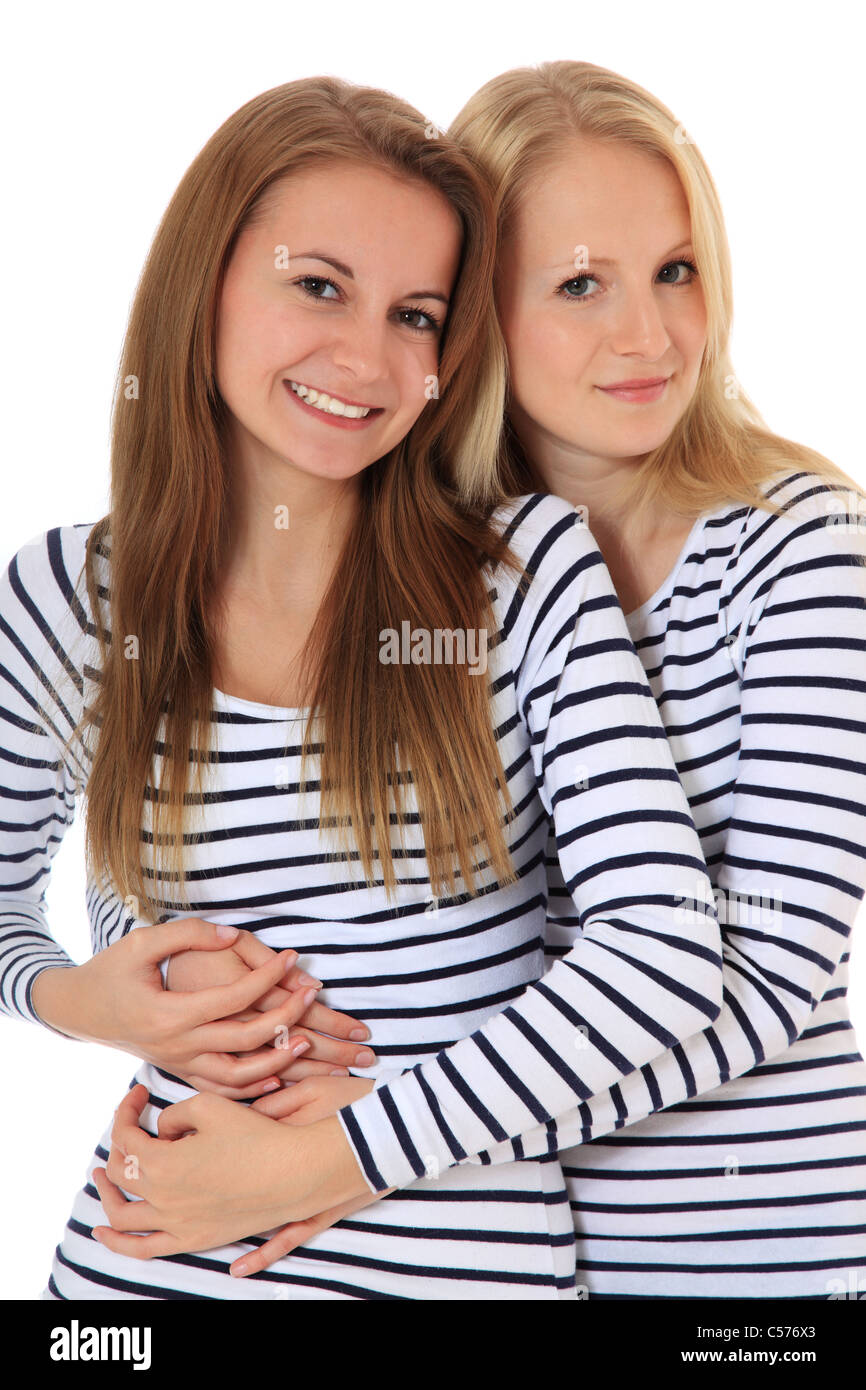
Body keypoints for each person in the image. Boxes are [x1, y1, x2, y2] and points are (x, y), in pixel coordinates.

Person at [0, 75, 724, 1300]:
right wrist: (80, 997)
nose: (364, 355)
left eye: (416, 314)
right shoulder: (72, 594)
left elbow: (660, 955)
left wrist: (331, 1155)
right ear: (208, 278)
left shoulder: (521, 577)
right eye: (318, 285)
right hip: (137, 1281)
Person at [250, 60, 866, 1300]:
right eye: (580, 283)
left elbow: (760, 975)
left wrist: (361, 1144)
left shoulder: (798, 545)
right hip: (473, 1249)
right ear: (475, 311)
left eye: (673, 271)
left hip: (750, 1257)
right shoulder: (426, 569)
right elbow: (235, 828)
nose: (647, 336)